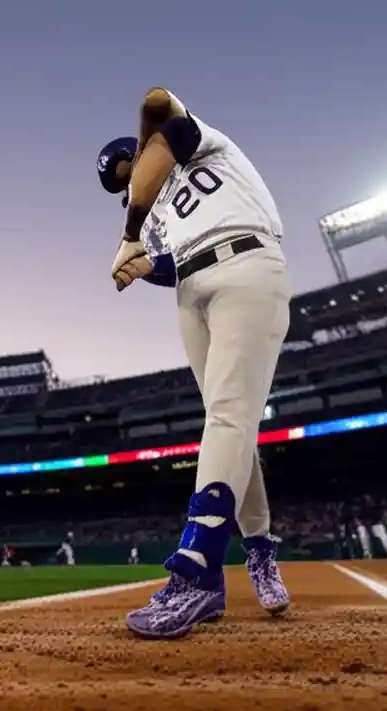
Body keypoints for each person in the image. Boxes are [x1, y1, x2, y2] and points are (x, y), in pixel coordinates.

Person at [97, 87, 292, 639]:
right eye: (118, 185)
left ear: (140, 152)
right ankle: (258, 548)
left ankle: (198, 569)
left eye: (125, 171)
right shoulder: (160, 214)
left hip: (247, 265)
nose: (125, 184)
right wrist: (142, 265)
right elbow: (177, 262)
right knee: (229, 425)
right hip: (193, 290)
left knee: (228, 416)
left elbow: (158, 103)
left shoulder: (201, 147)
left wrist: (129, 232)